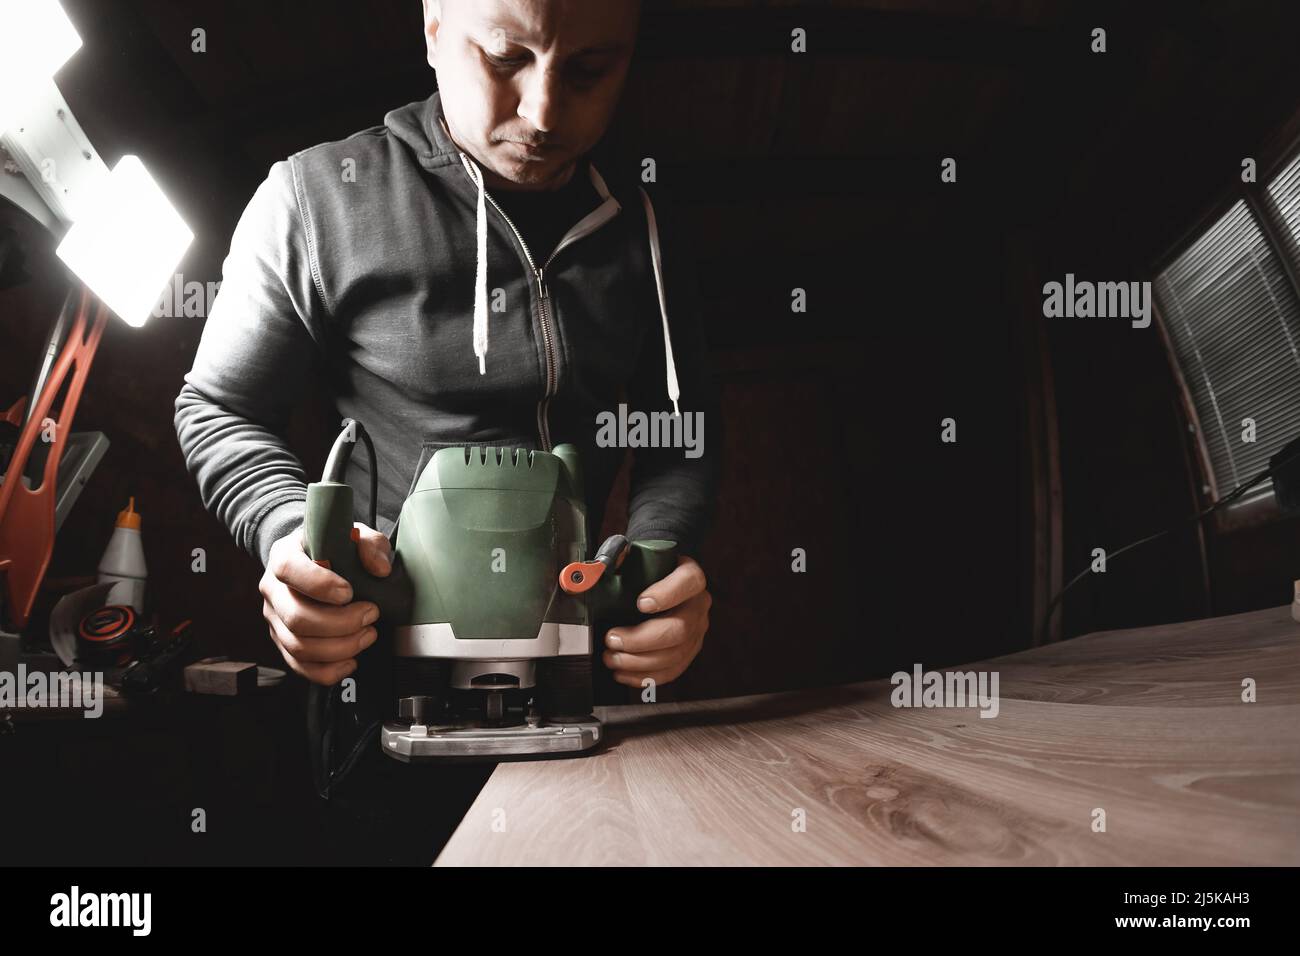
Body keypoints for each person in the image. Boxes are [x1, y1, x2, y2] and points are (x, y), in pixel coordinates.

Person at [174, 0, 720, 862]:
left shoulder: (650, 226)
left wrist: (658, 566)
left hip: (583, 688)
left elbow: (679, 434)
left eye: (588, 70)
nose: (543, 114)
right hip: (386, 694)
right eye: (505, 57)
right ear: (433, 31)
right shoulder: (313, 198)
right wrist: (291, 540)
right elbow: (218, 407)